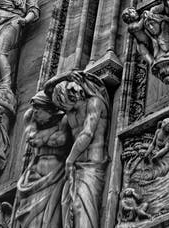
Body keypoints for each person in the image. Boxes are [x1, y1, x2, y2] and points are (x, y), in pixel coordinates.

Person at [47, 72, 109, 228]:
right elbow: (59, 138)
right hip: (74, 167)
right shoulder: (69, 116)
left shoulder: (94, 103)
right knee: (68, 209)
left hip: (92, 164)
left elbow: (87, 133)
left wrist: (70, 160)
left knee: (81, 208)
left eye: (61, 103)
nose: (61, 108)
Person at [16, 92, 70, 228]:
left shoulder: (65, 119)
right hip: (32, 175)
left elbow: (59, 140)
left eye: (38, 110)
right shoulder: (30, 116)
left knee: (47, 218)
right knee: (26, 217)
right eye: (33, 109)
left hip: (54, 175)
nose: (35, 113)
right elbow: (33, 139)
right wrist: (50, 134)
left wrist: (44, 137)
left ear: (49, 110)